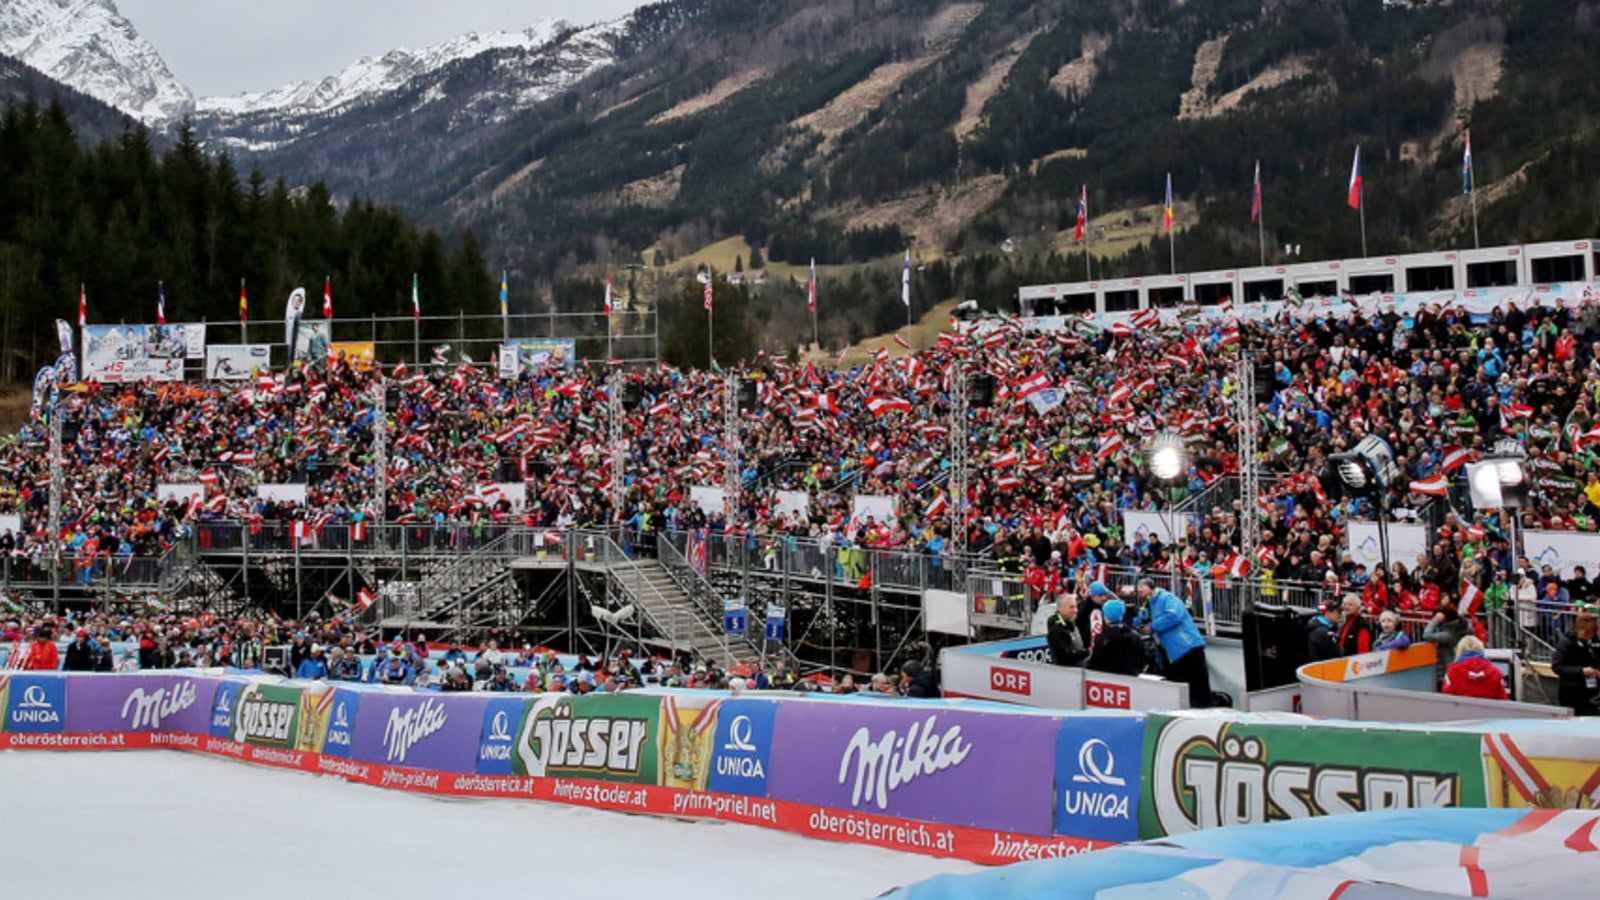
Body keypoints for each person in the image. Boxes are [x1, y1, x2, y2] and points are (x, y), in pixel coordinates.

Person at [1136, 579, 1211, 708]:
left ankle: (1204, 709)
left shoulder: (1167, 598)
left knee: (1198, 685)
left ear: (1150, 587)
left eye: (1141, 586)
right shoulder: (1147, 605)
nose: (1138, 589)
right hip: (1173, 653)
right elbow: (1138, 620)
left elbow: (1174, 616)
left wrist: (1153, 626)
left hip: (1189, 646)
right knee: (1180, 685)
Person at [1550, 610, 1600, 715]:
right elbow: (1557, 666)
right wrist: (1581, 671)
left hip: (1592, 690)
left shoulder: (1596, 642)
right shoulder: (1567, 642)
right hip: (1571, 690)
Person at [1086, 599, 1146, 676]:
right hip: (1130, 680)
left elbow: (1094, 664)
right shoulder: (1135, 636)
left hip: (1107, 681)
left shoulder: (1102, 638)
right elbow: (1141, 661)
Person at [1441, 635, 1507, 700]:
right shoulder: (1495, 672)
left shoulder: (1452, 672)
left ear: (1460, 651)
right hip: (1488, 710)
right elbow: (1503, 701)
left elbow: (1447, 701)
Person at [1046, 593, 1088, 667]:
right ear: (1060, 608)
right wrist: (1087, 652)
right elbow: (1064, 658)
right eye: (1071, 607)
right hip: (1066, 672)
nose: (1075, 610)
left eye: (1076, 607)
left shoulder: (1071, 622)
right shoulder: (1056, 629)